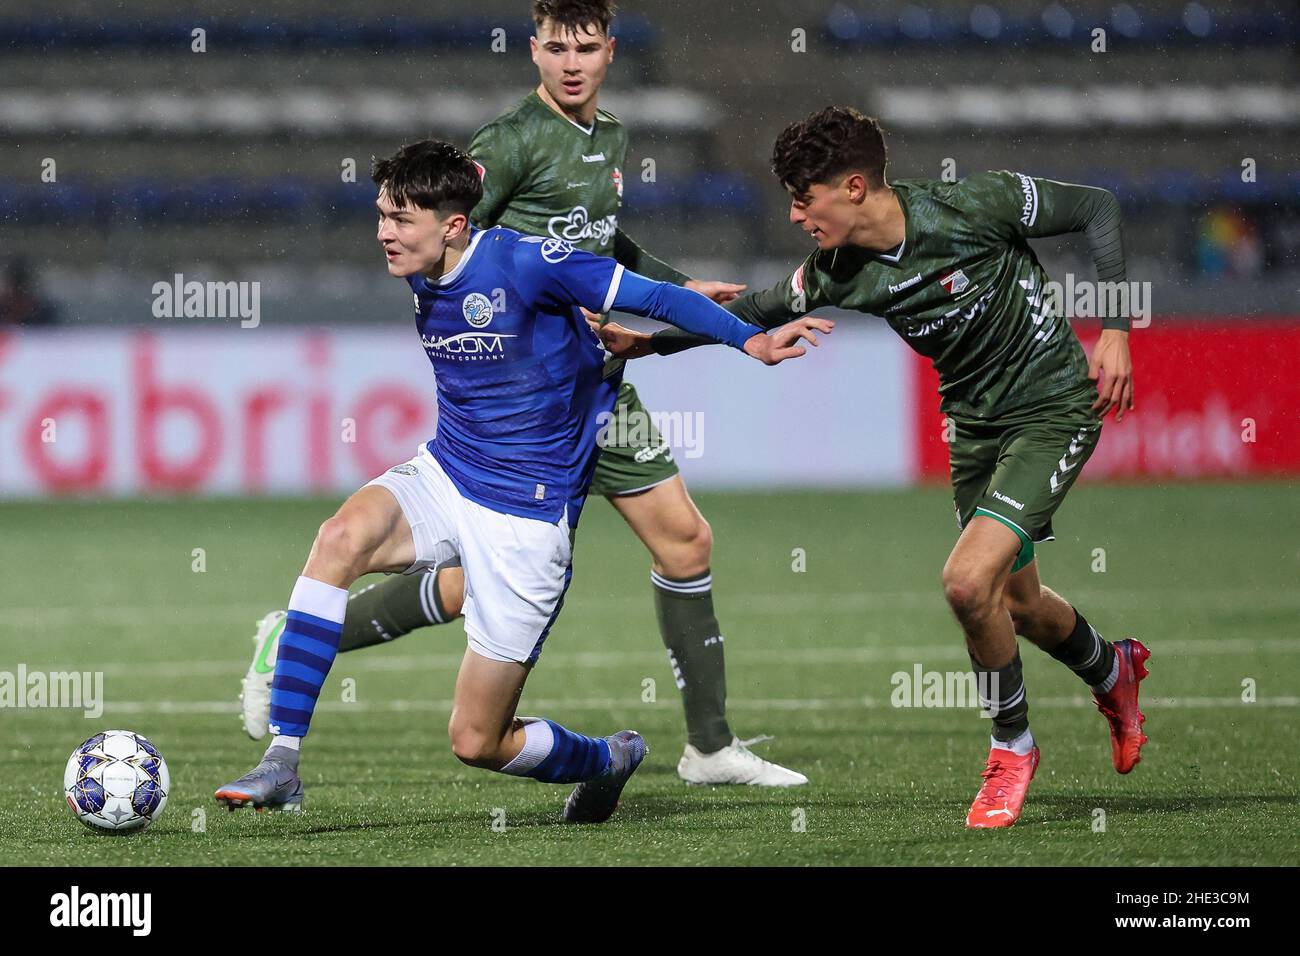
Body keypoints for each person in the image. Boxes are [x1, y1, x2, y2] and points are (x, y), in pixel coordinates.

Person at [239, 0, 809, 787]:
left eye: (585, 48)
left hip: (597, 386)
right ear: (532, 51)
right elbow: (474, 239)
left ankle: (708, 746)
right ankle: (306, 642)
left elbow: (595, 245)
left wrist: (670, 288)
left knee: (683, 542)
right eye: (554, 47)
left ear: (611, 52)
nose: (571, 63)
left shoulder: (608, 138)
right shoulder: (504, 147)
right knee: (469, 569)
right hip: (533, 396)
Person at [608, 106, 1148, 828]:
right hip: (974, 430)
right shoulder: (840, 270)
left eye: (807, 198)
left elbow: (1097, 207)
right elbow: (759, 311)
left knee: (964, 582)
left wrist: (1115, 328)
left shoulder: (972, 204)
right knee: (1016, 605)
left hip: (1051, 407)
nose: (797, 215)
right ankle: (1114, 669)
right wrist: (643, 345)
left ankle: (1011, 748)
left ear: (855, 186)